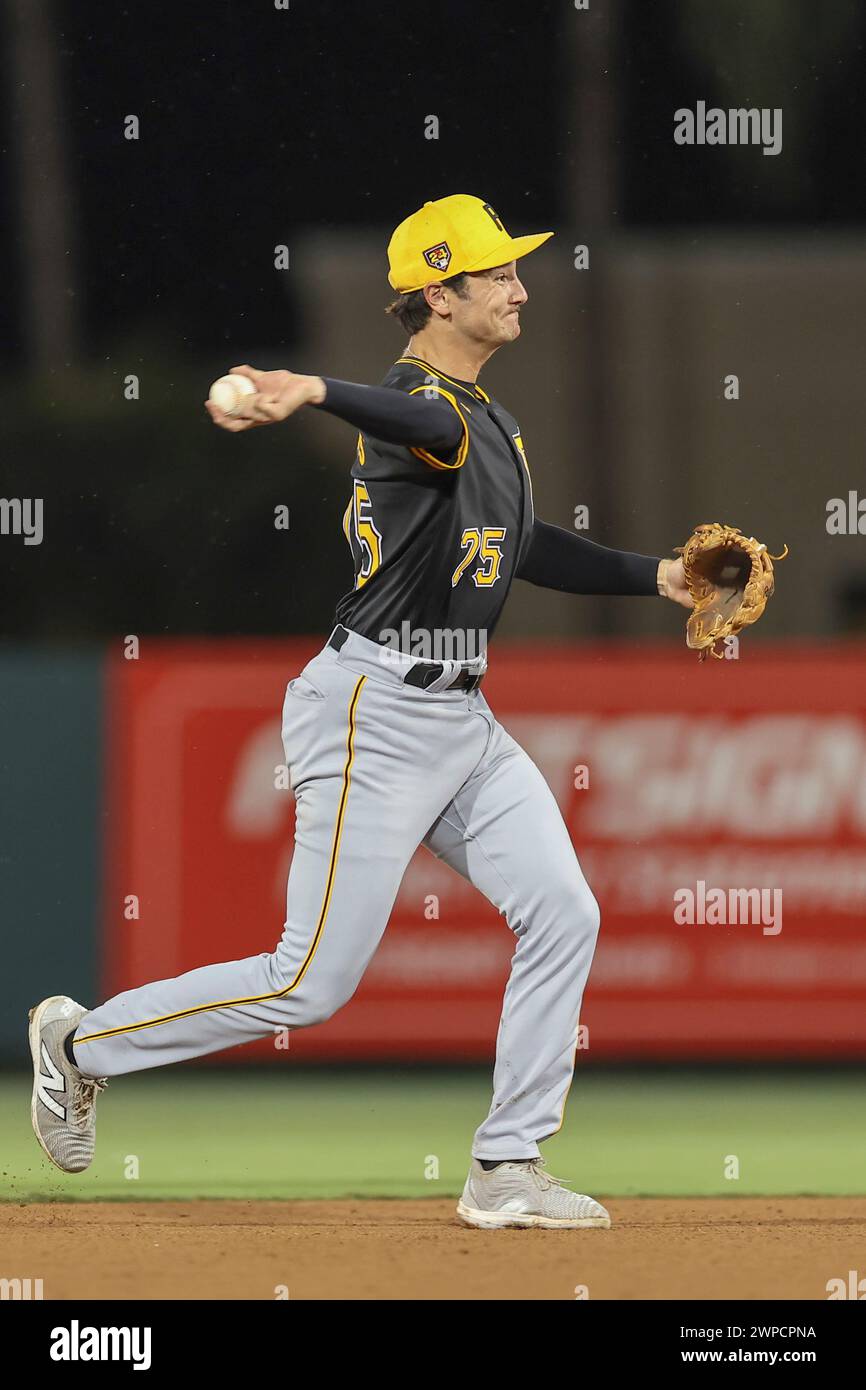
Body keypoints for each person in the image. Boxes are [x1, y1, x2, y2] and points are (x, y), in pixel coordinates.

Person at [29, 195, 691, 1230]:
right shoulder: (416, 407)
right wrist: (309, 388)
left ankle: (505, 1166)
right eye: (497, 274)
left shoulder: (493, 424)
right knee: (308, 983)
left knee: (564, 910)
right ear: (439, 292)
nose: (519, 288)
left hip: (463, 719)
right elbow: (413, 421)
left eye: (515, 271)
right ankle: (77, 1045)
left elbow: (523, 547)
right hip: (371, 712)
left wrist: (660, 578)